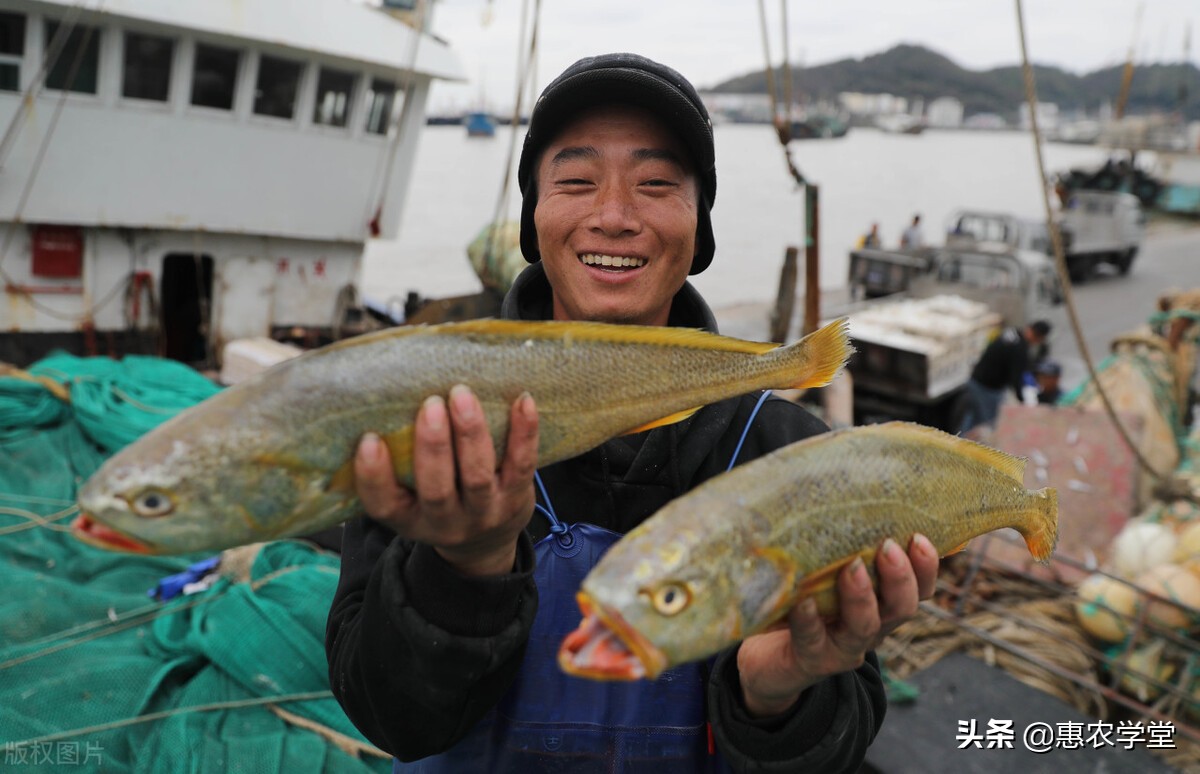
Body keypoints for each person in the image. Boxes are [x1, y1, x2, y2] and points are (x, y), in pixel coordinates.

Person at [326, 53, 939, 772]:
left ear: (699, 228)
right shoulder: (431, 428)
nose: (613, 216)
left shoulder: (789, 453)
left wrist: (777, 696)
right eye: (576, 181)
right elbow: (391, 718)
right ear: (534, 218)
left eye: (655, 184)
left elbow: (837, 739)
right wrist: (463, 568)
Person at [958, 320, 1052, 435]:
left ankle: (958, 442)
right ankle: (973, 449)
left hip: (975, 380)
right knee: (989, 423)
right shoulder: (1019, 349)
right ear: (1038, 337)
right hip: (988, 388)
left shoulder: (1012, 334)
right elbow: (1016, 377)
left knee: (972, 416)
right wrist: (1023, 399)